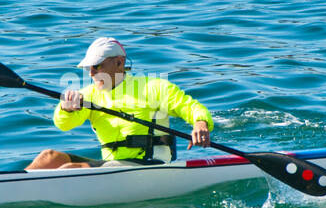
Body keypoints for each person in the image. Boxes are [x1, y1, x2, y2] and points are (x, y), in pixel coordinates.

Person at [26, 37, 214, 170]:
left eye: (97, 66)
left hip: (150, 165)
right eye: (88, 68)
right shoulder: (88, 95)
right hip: (111, 167)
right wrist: (65, 108)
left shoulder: (153, 87)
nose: (91, 73)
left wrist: (200, 122)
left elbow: (190, 106)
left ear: (119, 63)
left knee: (69, 169)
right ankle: (7, 183)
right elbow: (64, 125)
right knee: (48, 157)